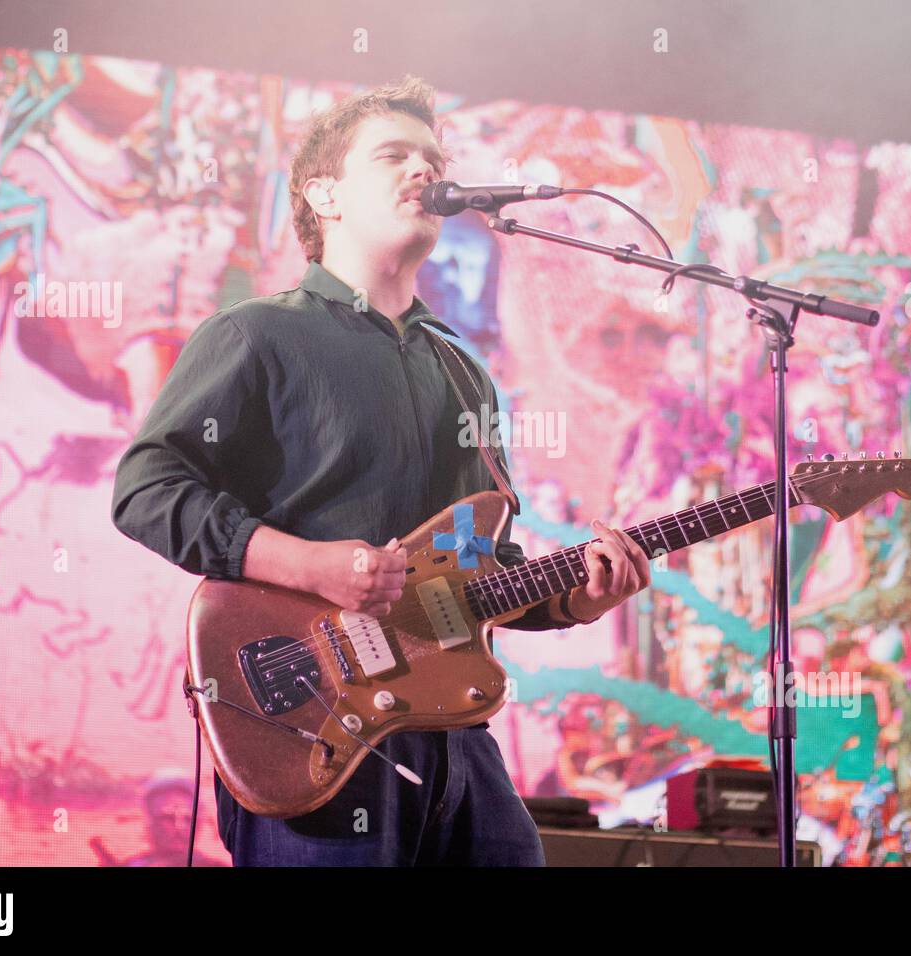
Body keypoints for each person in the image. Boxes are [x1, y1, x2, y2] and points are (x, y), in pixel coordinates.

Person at [110, 75, 651, 866]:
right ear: (323, 195)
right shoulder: (257, 335)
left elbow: (481, 573)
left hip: (455, 737)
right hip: (309, 716)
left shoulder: (466, 375)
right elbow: (145, 490)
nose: (424, 171)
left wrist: (575, 597)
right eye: (395, 155)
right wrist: (310, 564)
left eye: (432, 157)